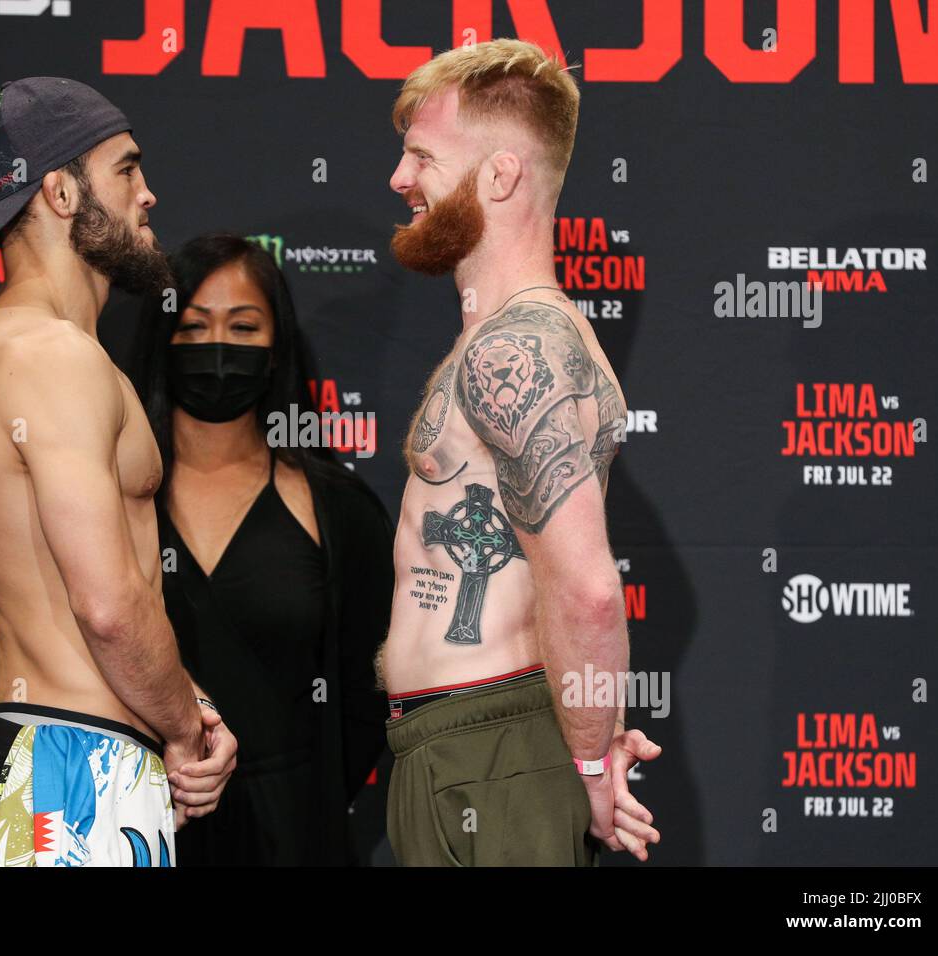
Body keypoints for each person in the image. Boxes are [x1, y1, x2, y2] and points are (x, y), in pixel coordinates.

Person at [379, 40, 662, 866]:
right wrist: (595, 743)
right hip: (472, 749)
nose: (399, 180)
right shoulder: (516, 338)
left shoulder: (521, 349)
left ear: (501, 175)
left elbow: (587, 591)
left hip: (491, 754)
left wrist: (583, 762)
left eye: (422, 156)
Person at [0, 77, 236, 867]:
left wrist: (190, 710)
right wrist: (186, 729)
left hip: (67, 764)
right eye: (128, 169)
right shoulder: (51, 357)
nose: (149, 194)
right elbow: (106, 605)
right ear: (62, 192)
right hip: (67, 780)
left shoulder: (21, 350)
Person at [128, 233, 393, 865]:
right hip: (141, 827)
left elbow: (371, 691)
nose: (217, 348)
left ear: (277, 347)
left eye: (243, 326)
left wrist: (308, 805)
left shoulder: (338, 509)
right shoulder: (113, 503)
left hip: (297, 834)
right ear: (162, 342)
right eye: (193, 327)